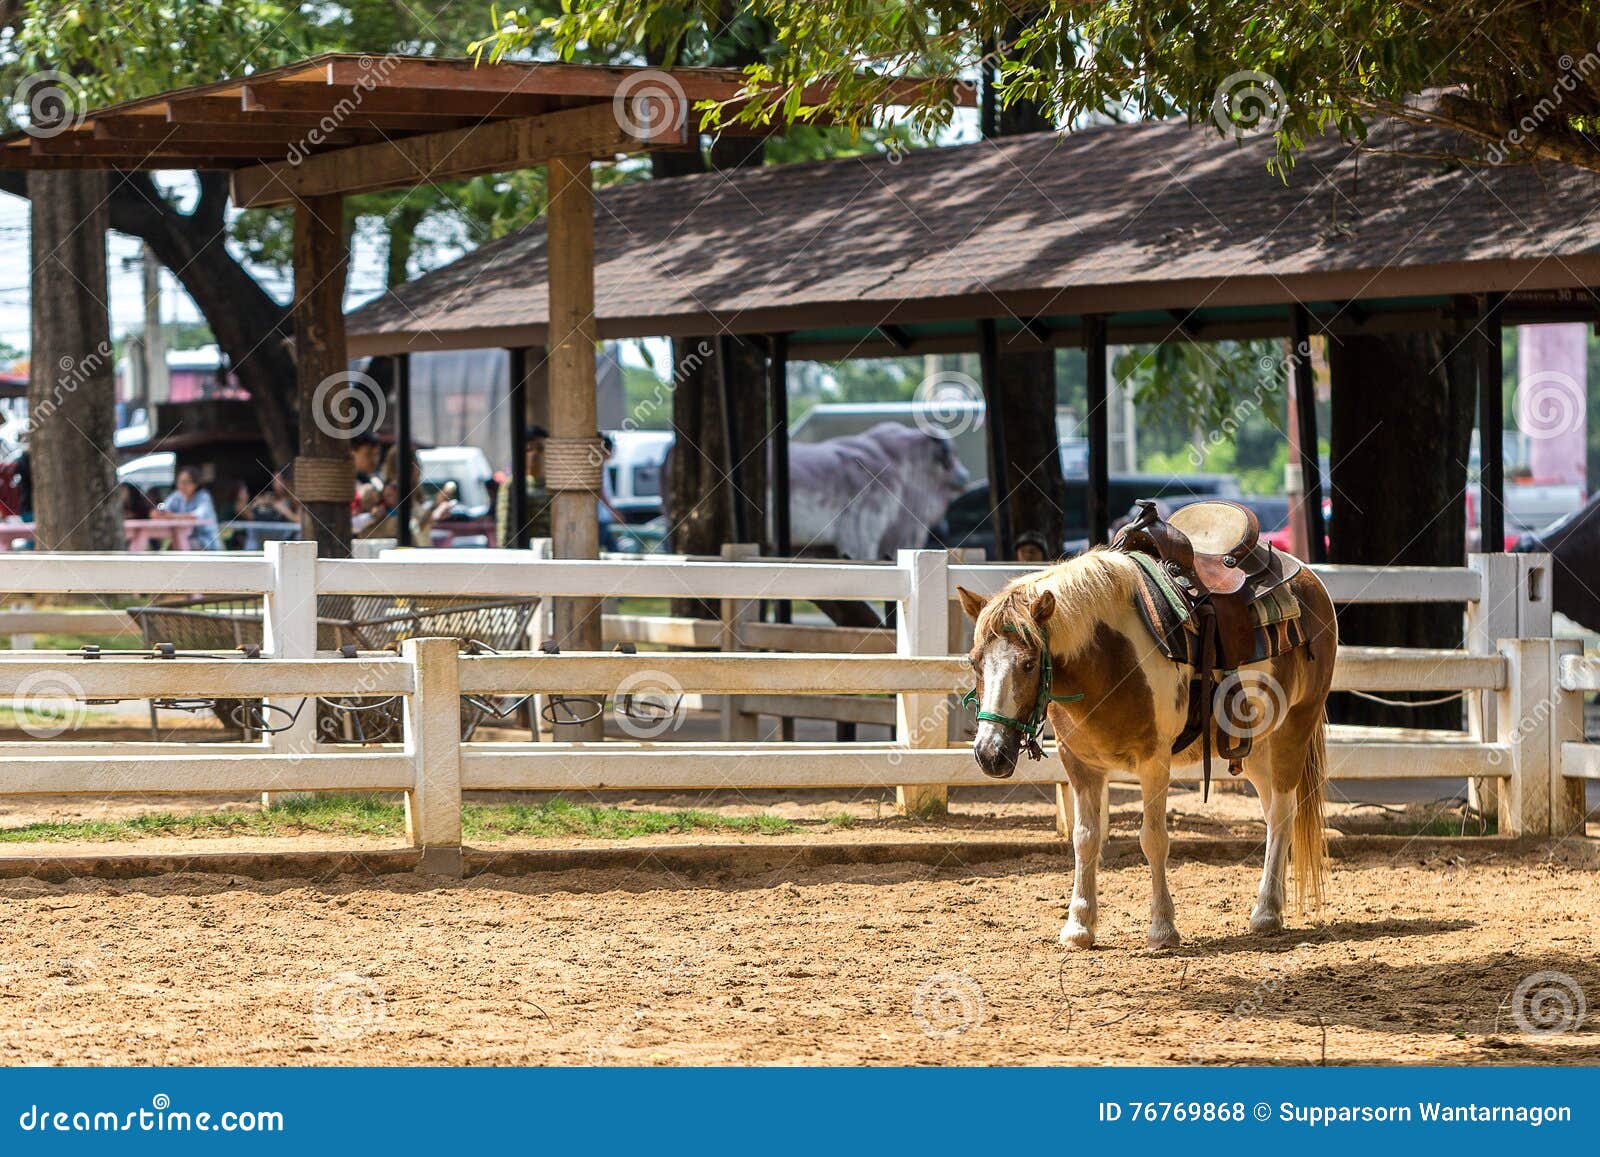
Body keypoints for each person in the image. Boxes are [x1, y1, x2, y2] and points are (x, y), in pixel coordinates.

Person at [495, 425, 552, 548]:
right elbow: (505, 528)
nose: (534, 454)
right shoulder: (513, 485)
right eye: (528, 449)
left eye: (540, 449)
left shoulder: (554, 484)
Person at [158, 465, 221, 550]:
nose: (181, 485)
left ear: (195, 484)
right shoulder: (177, 495)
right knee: (172, 546)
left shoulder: (203, 497)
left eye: (185, 482)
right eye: (179, 482)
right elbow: (162, 508)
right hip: (184, 538)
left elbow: (195, 516)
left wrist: (170, 516)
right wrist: (159, 511)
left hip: (206, 541)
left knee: (179, 546)